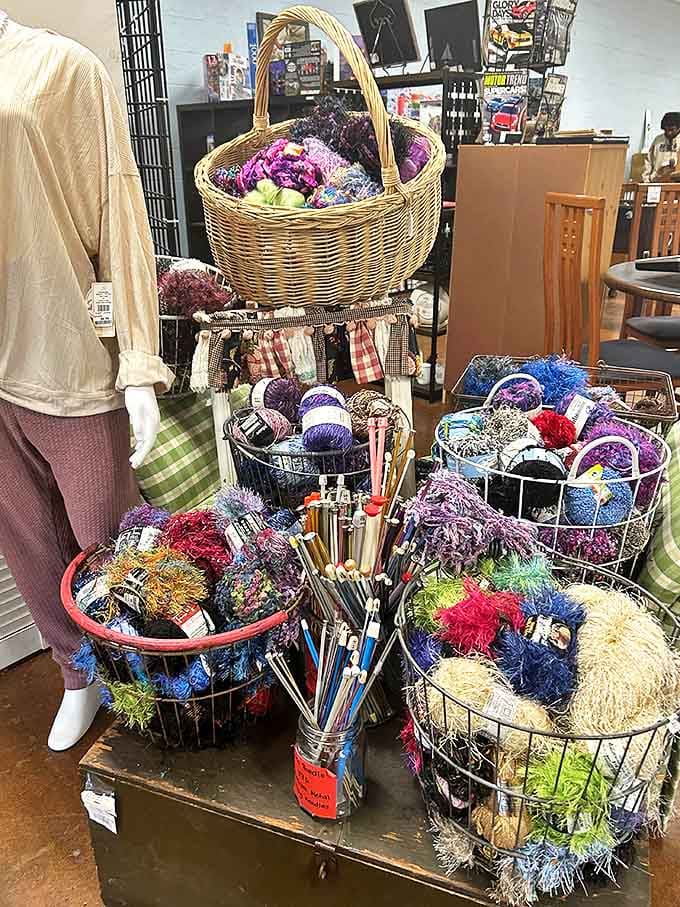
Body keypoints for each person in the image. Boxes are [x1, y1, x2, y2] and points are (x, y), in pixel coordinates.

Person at [642, 112, 680, 182]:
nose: (668, 133)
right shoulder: (658, 140)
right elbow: (648, 162)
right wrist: (646, 180)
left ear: (678, 128)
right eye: (666, 130)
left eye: (672, 130)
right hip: (656, 181)